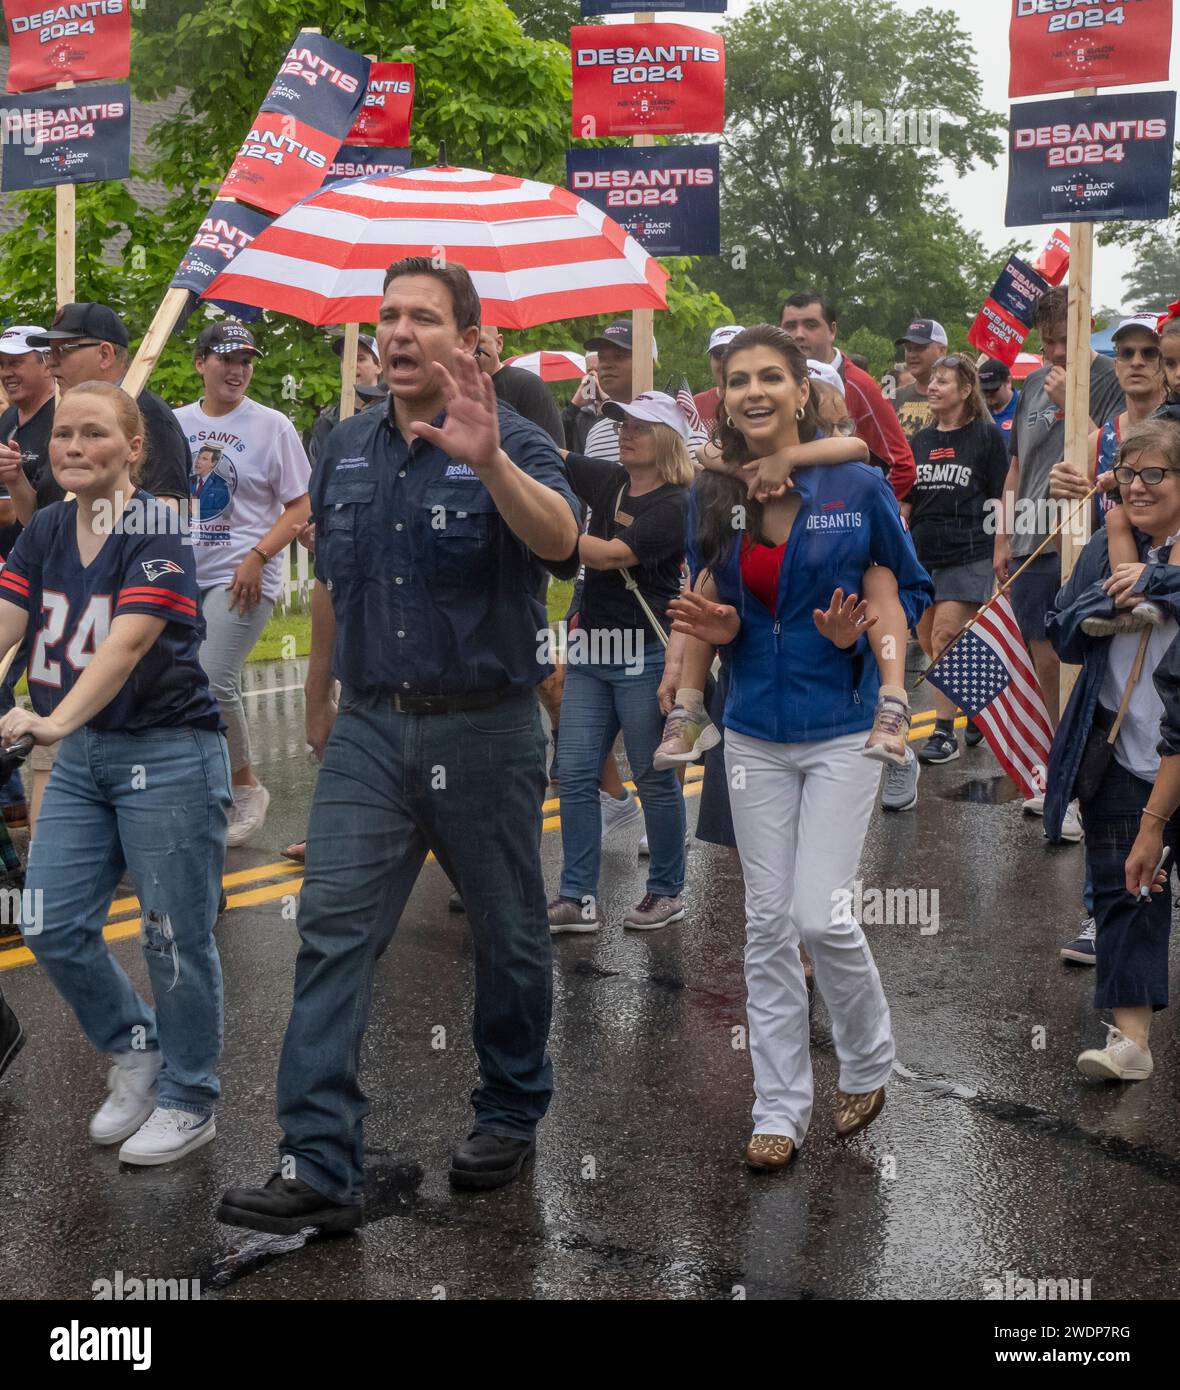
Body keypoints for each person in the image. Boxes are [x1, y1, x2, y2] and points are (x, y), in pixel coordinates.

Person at [217, 256, 580, 1233]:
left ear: (468, 338)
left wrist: (491, 461)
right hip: (374, 727)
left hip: (487, 728)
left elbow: (559, 545)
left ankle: (508, 1109)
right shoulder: (341, 445)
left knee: (507, 936)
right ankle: (321, 1161)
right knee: (333, 930)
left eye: (425, 316)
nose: (402, 330)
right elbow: (336, 579)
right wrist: (321, 698)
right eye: (389, 315)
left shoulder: (512, 432)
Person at [667, 325, 931, 1171]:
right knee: (768, 925)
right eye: (738, 379)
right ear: (725, 394)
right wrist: (722, 631)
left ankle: (868, 1058)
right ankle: (778, 1106)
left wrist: (858, 641)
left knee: (823, 913)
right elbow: (719, 603)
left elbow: (908, 583)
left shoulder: (852, 483)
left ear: (799, 391)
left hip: (845, 728)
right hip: (751, 733)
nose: (753, 391)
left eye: (769, 377)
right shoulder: (714, 494)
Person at [0, 382, 230, 1163]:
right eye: (63, 434)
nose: (71, 447)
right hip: (84, 759)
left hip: (167, 750)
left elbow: (128, 644)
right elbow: (7, 624)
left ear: (133, 448)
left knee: (173, 937)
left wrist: (55, 720)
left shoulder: (158, 529)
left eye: (93, 434)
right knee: (49, 922)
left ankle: (191, 1097)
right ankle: (138, 1047)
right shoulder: (47, 529)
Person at [1045, 418, 1180, 1081]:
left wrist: (1155, 586)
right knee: (1130, 886)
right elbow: (1065, 632)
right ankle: (1130, 1041)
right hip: (1124, 747)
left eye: (1155, 473)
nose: (1139, 486)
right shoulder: (1105, 544)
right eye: (1128, 474)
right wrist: (1106, 594)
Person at [1048, 314, 1172, 961]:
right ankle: (1104, 910)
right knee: (1113, 747)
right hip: (1119, 592)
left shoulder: (1174, 424)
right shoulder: (1101, 436)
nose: (1135, 362)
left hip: (1170, 586)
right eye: (1124, 352)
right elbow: (1090, 495)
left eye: (1147, 352)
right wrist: (1075, 483)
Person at [548, 392, 693, 934]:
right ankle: (576, 898)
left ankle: (666, 890)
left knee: (655, 777)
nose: (625, 432)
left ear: (667, 441)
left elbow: (611, 556)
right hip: (590, 653)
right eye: (622, 424)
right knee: (576, 773)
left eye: (640, 426)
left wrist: (547, 531)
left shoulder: (676, 504)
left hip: (644, 654)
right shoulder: (610, 480)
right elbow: (556, 454)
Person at [175, 322, 311, 847]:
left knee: (213, 678)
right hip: (186, 573)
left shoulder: (272, 425)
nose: (237, 369)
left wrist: (257, 557)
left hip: (245, 574)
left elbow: (300, 505)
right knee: (176, 682)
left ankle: (246, 785)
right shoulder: (175, 421)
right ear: (200, 362)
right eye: (226, 358)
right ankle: (197, 788)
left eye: (246, 360)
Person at [995, 284, 1125, 790]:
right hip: (1027, 536)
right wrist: (1002, 537)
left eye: (1061, 338)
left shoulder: (1108, 376)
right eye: (1045, 340)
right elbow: (1015, 469)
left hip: (1080, 533)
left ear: (1087, 326)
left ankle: (1076, 767)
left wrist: (1072, 402)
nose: (1052, 352)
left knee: (1069, 651)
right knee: (1039, 655)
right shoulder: (1030, 385)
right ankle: (1056, 757)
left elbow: (1117, 450)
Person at [907, 355, 1009, 766]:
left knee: (947, 634)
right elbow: (907, 500)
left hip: (971, 550)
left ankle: (943, 732)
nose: (932, 387)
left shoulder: (985, 437)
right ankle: (979, 704)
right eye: (931, 381)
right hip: (923, 555)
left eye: (943, 381)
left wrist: (1003, 545)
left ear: (965, 390)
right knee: (934, 641)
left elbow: (1005, 494)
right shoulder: (920, 441)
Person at [27, 303, 191, 505]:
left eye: (62, 350)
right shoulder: (69, 415)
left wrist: (91, 535)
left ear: (105, 355)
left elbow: (167, 516)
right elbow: (45, 507)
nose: (51, 362)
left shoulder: (149, 415)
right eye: (49, 352)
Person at [0, 326, 58, 830]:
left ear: (45, 361)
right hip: (12, 575)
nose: (7, 371)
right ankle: (16, 799)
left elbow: (28, 519)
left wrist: (16, 481)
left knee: (46, 691)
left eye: (17, 361)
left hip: (45, 579)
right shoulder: (5, 421)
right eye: (2, 362)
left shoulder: (63, 421)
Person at [780, 291, 916, 505]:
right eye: (790, 326)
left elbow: (901, 465)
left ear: (832, 331)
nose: (799, 334)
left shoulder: (860, 385)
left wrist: (858, 511)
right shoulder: (773, 384)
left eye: (811, 325)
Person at [477, 326, 565, 447]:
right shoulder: (453, 390)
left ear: (499, 343)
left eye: (479, 342)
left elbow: (553, 452)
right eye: (466, 341)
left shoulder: (527, 386)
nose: (472, 349)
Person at [308, 333, 388, 464]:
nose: (352, 365)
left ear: (379, 366)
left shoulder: (393, 414)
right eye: (346, 359)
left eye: (360, 359)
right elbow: (317, 475)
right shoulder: (327, 421)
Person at [891, 318, 948, 440]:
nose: (912, 355)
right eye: (908, 348)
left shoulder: (958, 397)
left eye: (920, 348)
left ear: (942, 350)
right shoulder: (893, 397)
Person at [694, 325, 744, 430]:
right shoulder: (695, 405)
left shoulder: (757, 402)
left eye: (731, 354)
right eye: (718, 355)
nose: (723, 361)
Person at [561, 350, 601, 455]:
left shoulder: (619, 408)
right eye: (589, 372)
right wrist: (574, 405)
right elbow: (558, 438)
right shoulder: (578, 414)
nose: (592, 376)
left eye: (597, 370)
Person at [979, 359, 1019, 436]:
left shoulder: (1024, 408)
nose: (988, 393)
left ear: (1008, 381)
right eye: (984, 389)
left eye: (993, 388)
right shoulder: (978, 412)